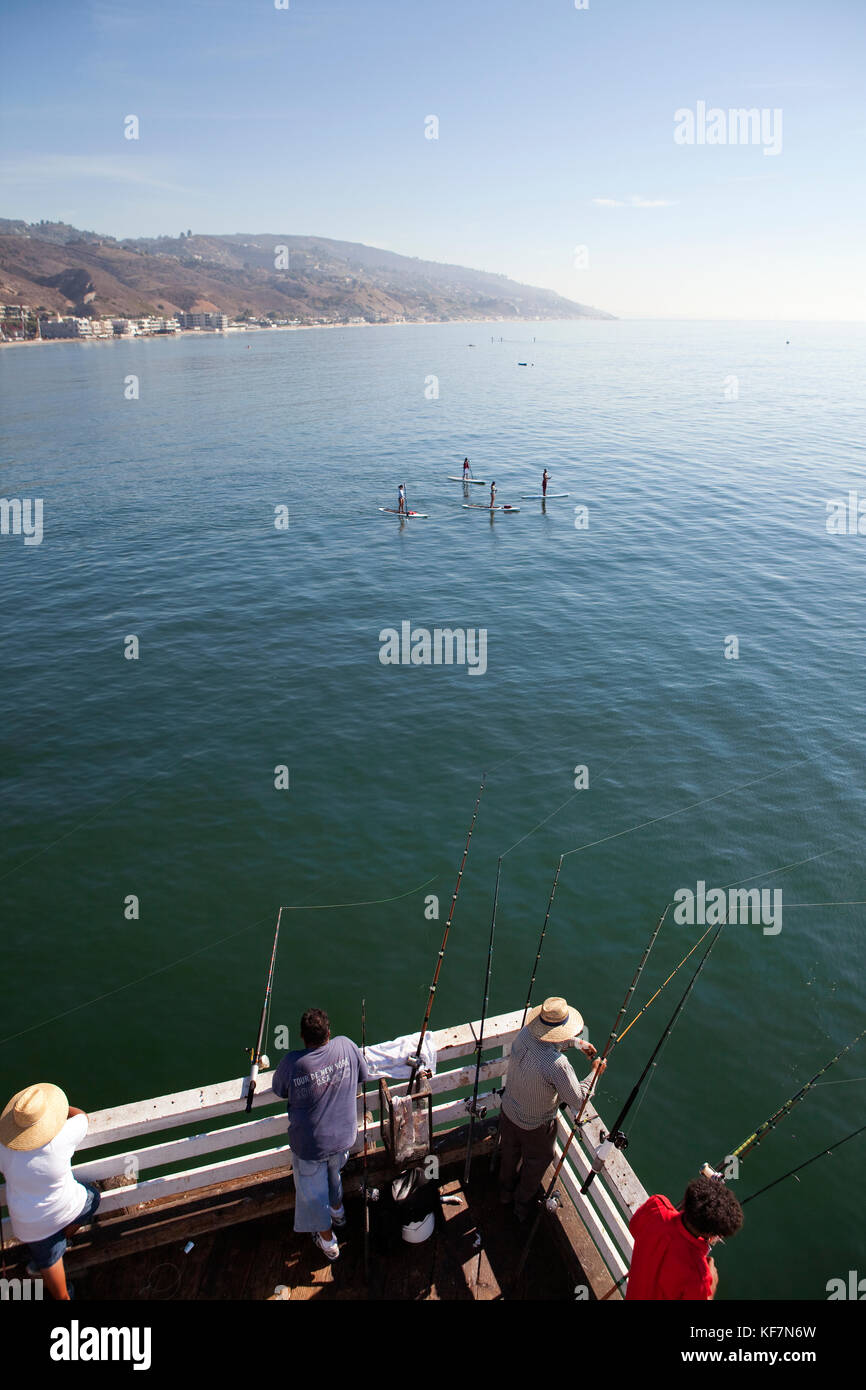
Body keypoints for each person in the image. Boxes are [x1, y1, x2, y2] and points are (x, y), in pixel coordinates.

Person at [272, 1008, 369, 1262]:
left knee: (313, 1196)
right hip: (344, 1138)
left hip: (310, 1147)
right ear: (329, 1032)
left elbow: (279, 1089)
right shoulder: (346, 1045)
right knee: (334, 1176)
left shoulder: (293, 1063)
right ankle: (339, 1214)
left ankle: (328, 1242)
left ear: (303, 1037)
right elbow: (364, 1074)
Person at [498, 997, 605, 1221]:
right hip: (535, 1126)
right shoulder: (559, 1065)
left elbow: (547, 1041)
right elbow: (578, 1099)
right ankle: (521, 1207)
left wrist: (577, 1043)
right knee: (537, 1162)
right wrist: (595, 1073)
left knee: (509, 1153)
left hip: (507, 1112)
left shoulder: (526, 1033)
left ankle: (504, 1194)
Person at [0, 1083, 101, 1300]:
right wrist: (58, 1112)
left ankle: (48, 1255)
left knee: (60, 1291)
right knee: (93, 1199)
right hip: (68, 1208)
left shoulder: (3, 1148)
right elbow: (82, 1116)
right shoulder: (62, 1136)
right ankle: (61, 1241)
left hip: (31, 1228)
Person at [625, 1176, 743, 1300]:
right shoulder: (699, 1277)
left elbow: (634, 1227)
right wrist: (711, 1287)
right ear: (712, 1235)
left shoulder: (656, 1206)